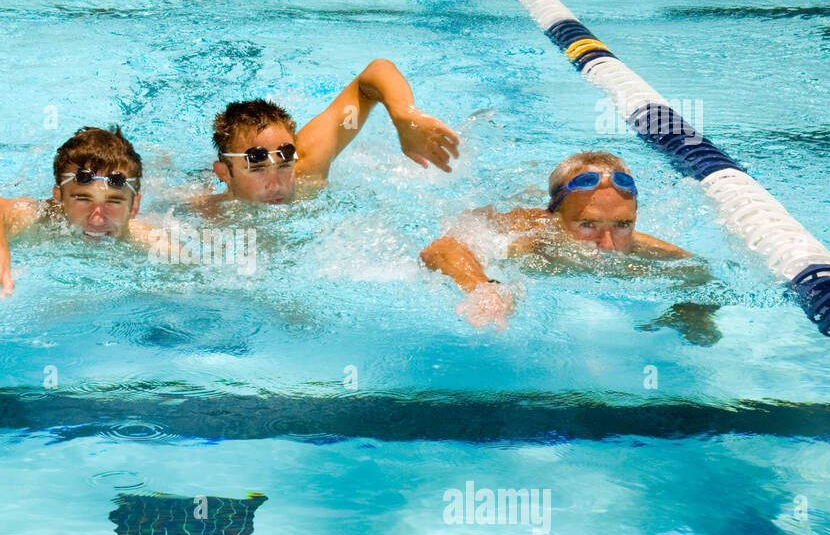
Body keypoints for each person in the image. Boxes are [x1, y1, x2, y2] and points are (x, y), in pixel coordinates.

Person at [420, 151, 714, 335]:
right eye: (588, 224)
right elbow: (441, 248)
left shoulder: (647, 251)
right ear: (555, 218)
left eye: (623, 224)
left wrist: (691, 314)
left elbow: (703, 275)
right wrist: (484, 288)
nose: (608, 245)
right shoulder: (529, 243)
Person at [202, 59, 459, 209]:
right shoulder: (208, 215)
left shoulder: (308, 164)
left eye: (284, 164)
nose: (276, 184)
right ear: (224, 173)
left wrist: (405, 117)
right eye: (257, 169)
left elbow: (374, 75)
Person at [0, 125, 154, 297]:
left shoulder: (150, 243)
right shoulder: (38, 219)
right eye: (83, 199)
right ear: (58, 197)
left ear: (134, 206)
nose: (97, 219)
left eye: (113, 201)